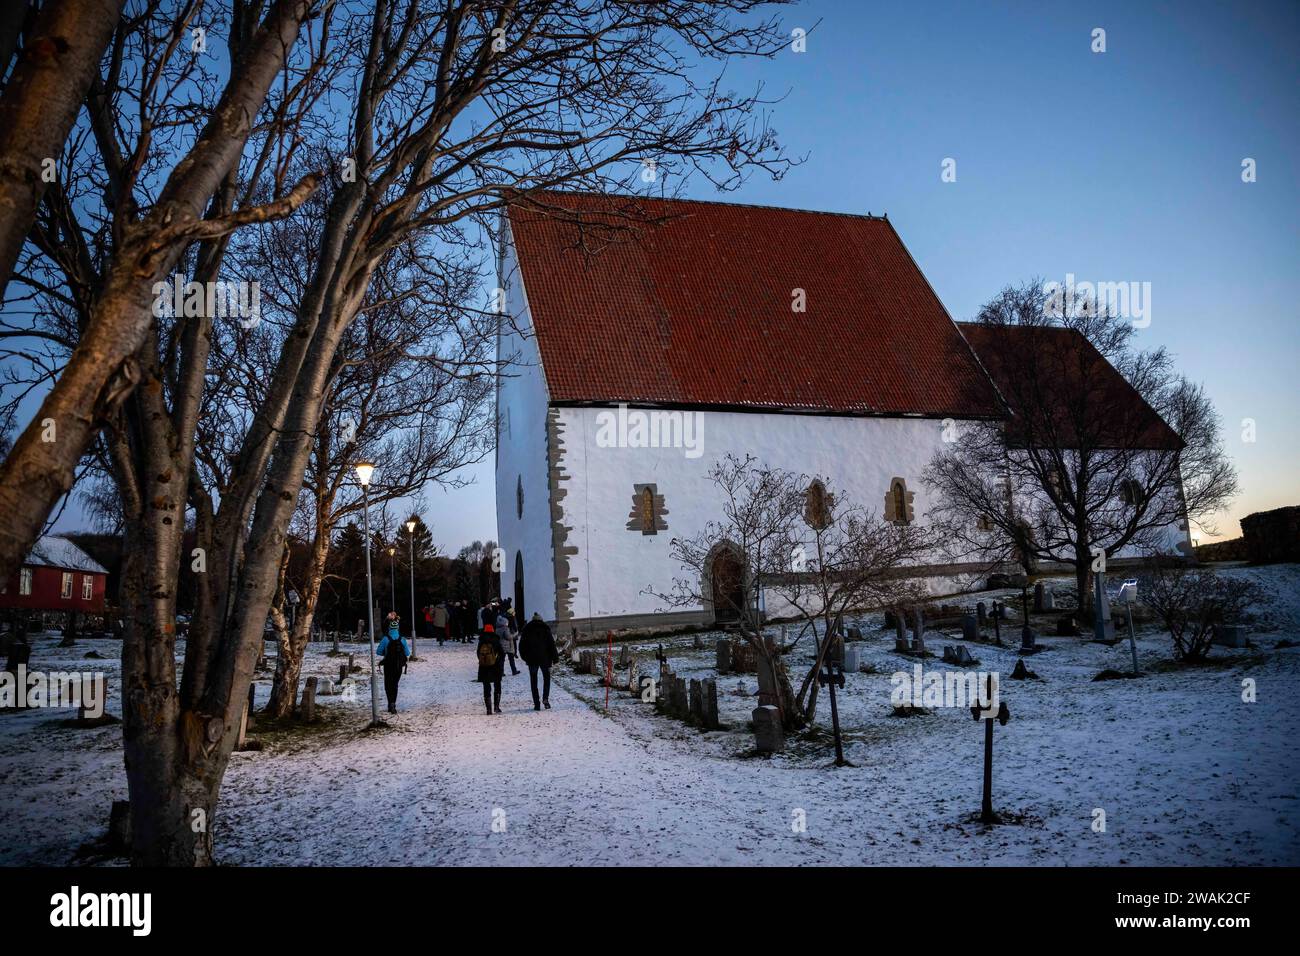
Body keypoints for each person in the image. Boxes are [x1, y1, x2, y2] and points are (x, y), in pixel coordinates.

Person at [518, 612, 558, 711]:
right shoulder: (545, 629)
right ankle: (545, 699)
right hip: (545, 659)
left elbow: (521, 646)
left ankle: (536, 703)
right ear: (541, 620)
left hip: (532, 659)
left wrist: (525, 657)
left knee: (533, 681)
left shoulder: (527, 630)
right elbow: (551, 645)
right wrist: (555, 658)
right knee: (546, 679)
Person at [376, 615, 410, 714]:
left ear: (390, 628)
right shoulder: (402, 639)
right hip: (399, 666)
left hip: (388, 665)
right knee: (395, 685)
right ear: (398, 628)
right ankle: (393, 703)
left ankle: (390, 702)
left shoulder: (386, 639)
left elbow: (378, 652)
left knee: (388, 685)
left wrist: (386, 653)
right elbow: (407, 653)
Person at [476, 622, 505, 715]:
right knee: (497, 685)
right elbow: (502, 653)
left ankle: (488, 709)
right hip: (495, 666)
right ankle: (496, 707)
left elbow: (478, 654)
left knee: (486, 686)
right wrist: (499, 662)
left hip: (484, 667)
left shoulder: (481, 641)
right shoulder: (496, 640)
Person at [496, 605, 519, 676]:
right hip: (507, 646)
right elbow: (508, 637)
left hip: (501, 646)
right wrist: (515, 634)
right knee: (511, 659)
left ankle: (501, 672)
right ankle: (514, 671)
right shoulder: (505, 628)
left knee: (501, 660)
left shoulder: (497, 628)